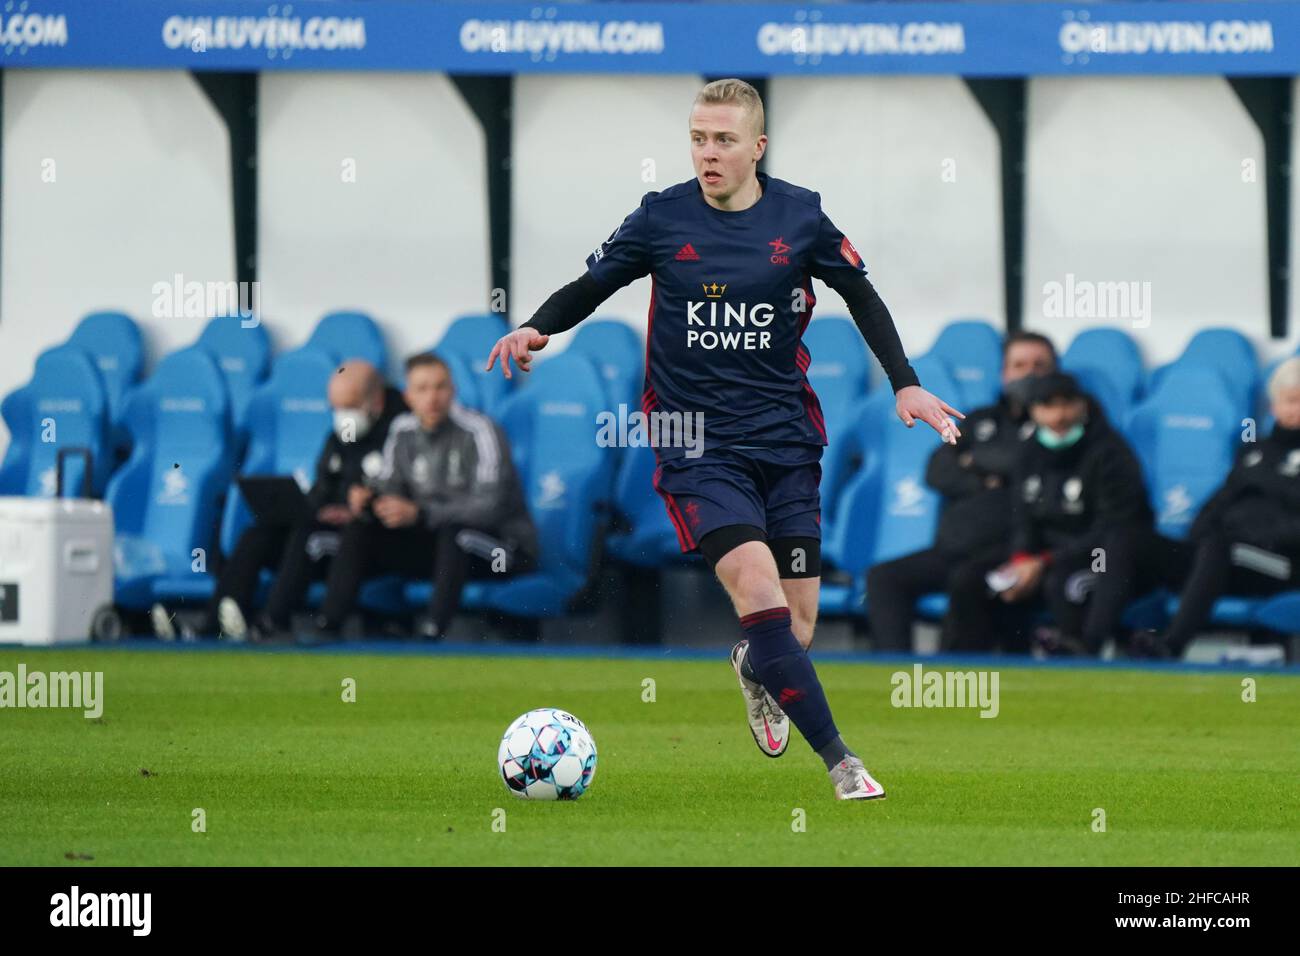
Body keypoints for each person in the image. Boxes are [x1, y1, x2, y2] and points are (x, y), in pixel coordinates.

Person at [485, 79, 962, 800]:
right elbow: (594, 282)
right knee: (757, 586)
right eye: (699, 139)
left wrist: (905, 381)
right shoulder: (660, 217)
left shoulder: (800, 217)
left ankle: (754, 666)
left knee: (792, 629)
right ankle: (842, 763)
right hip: (696, 444)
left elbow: (861, 293)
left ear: (757, 148)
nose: (709, 154)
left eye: (724, 141)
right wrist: (538, 324)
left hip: (787, 441)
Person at [150, 359, 404, 641]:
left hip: (363, 542)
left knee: (307, 536)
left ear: (376, 401)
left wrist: (357, 507)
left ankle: (272, 622)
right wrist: (314, 507)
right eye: (337, 408)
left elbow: (401, 492)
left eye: (351, 406)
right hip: (324, 528)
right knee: (259, 533)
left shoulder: (400, 434)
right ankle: (212, 624)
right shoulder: (337, 438)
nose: (343, 416)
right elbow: (321, 490)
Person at [314, 352, 539, 641]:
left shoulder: (481, 431)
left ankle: (432, 634)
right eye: (422, 388)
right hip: (439, 548)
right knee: (360, 529)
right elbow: (389, 486)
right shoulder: (402, 430)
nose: (432, 397)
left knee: (457, 534)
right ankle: (327, 626)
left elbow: (491, 507)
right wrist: (371, 502)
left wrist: (420, 513)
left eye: (440, 386)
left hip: (502, 550)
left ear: (453, 390)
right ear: (408, 396)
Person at [866, 331, 1057, 651]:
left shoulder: (1059, 424)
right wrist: (987, 479)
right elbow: (938, 469)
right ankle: (892, 672)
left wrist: (976, 460)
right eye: (1020, 365)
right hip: (954, 547)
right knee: (883, 578)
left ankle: (952, 677)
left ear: (1055, 372)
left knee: (967, 580)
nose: (1029, 374)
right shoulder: (980, 418)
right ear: (1004, 373)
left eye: (1040, 366)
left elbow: (1025, 464)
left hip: (1011, 550)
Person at [945, 371, 1159, 656]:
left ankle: (1077, 665)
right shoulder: (1029, 453)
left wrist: (1043, 561)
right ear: (1033, 411)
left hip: (1099, 557)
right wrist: (1021, 558)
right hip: (1043, 554)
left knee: (1062, 581)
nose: (1059, 416)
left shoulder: (1110, 452)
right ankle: (977, 666)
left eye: (1067, 404)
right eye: (1048, 406)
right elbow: (1022, 517)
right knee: (970, 578)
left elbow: (1113, 528)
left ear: (1082, 405)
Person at [1147, 357, 1300, 657]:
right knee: (1132, 541)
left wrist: (1256, 535)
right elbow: (1219, 503)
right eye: (1292, 400)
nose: (1298, 409)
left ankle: (1170, 646)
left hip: (1285, 565)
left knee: (1221, 547)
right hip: (1233, 558)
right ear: (1274, 407)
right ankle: (1086, 648)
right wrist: (1196, 539)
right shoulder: (1254, 452)